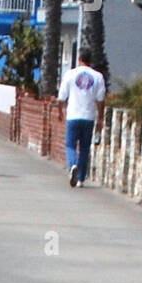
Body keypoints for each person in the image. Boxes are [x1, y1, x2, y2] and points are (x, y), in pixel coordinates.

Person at [58, 51, 106, 188]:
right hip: (88, 117)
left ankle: (72, 164)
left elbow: (62, 96)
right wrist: (100, 117)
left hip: (73, 115)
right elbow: (100, 99)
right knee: (85, 148)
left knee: (70, 145)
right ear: (91, 60)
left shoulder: (70, 74)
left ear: (79, 59)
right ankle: (80, 179)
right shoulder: (98, 77)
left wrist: (60, 111)